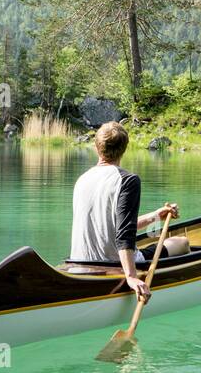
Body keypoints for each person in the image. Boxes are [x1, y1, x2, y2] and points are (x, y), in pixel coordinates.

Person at [70, 120, 190, 301]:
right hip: (116, 265)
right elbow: (124, 234)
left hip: (79, 265)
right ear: (125, 148)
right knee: (182, 242)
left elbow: (112, 224)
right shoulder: (127, 180)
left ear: (96, 147)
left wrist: (155, 216)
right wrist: (131, 277)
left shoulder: (82, 180)